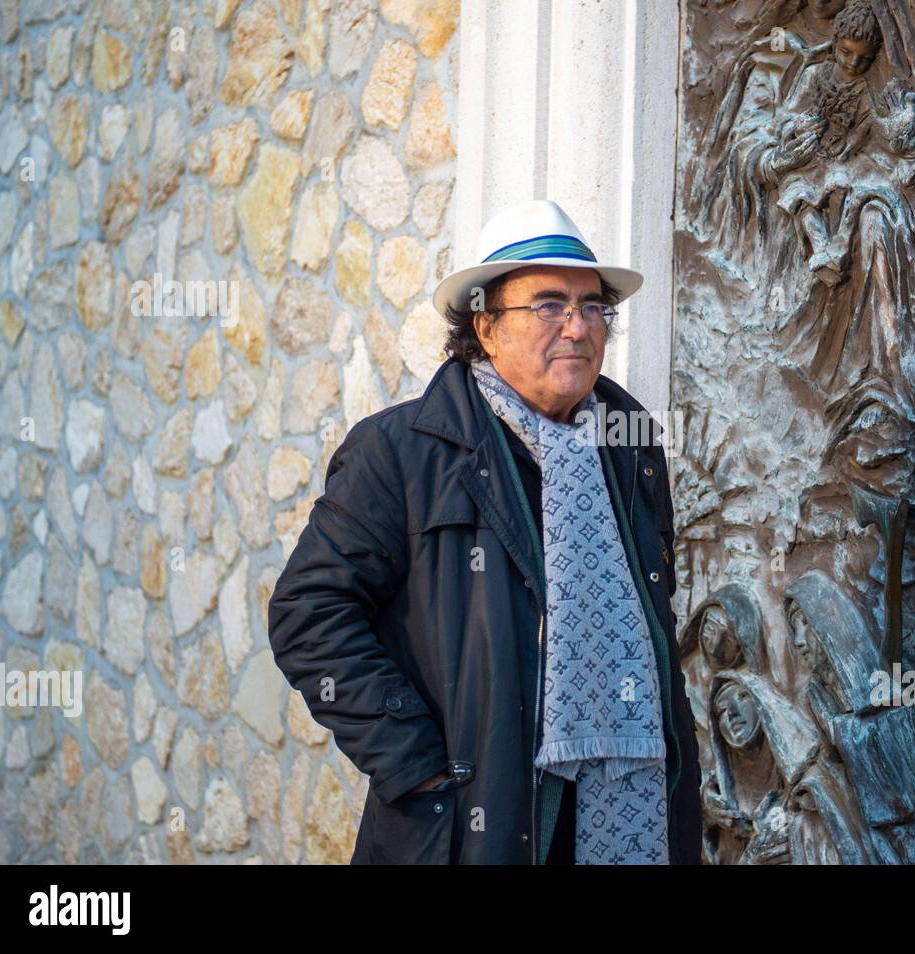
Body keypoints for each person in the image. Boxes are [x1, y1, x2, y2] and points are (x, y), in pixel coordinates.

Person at [268, 199, 702, 864]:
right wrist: (418, 764)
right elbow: (308, 614)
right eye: (549, 305)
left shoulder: (631, 449)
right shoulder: (403, 452)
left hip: (620, 811)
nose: (579, 328)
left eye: (593, 307)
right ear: (487, 325)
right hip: (475, 828)